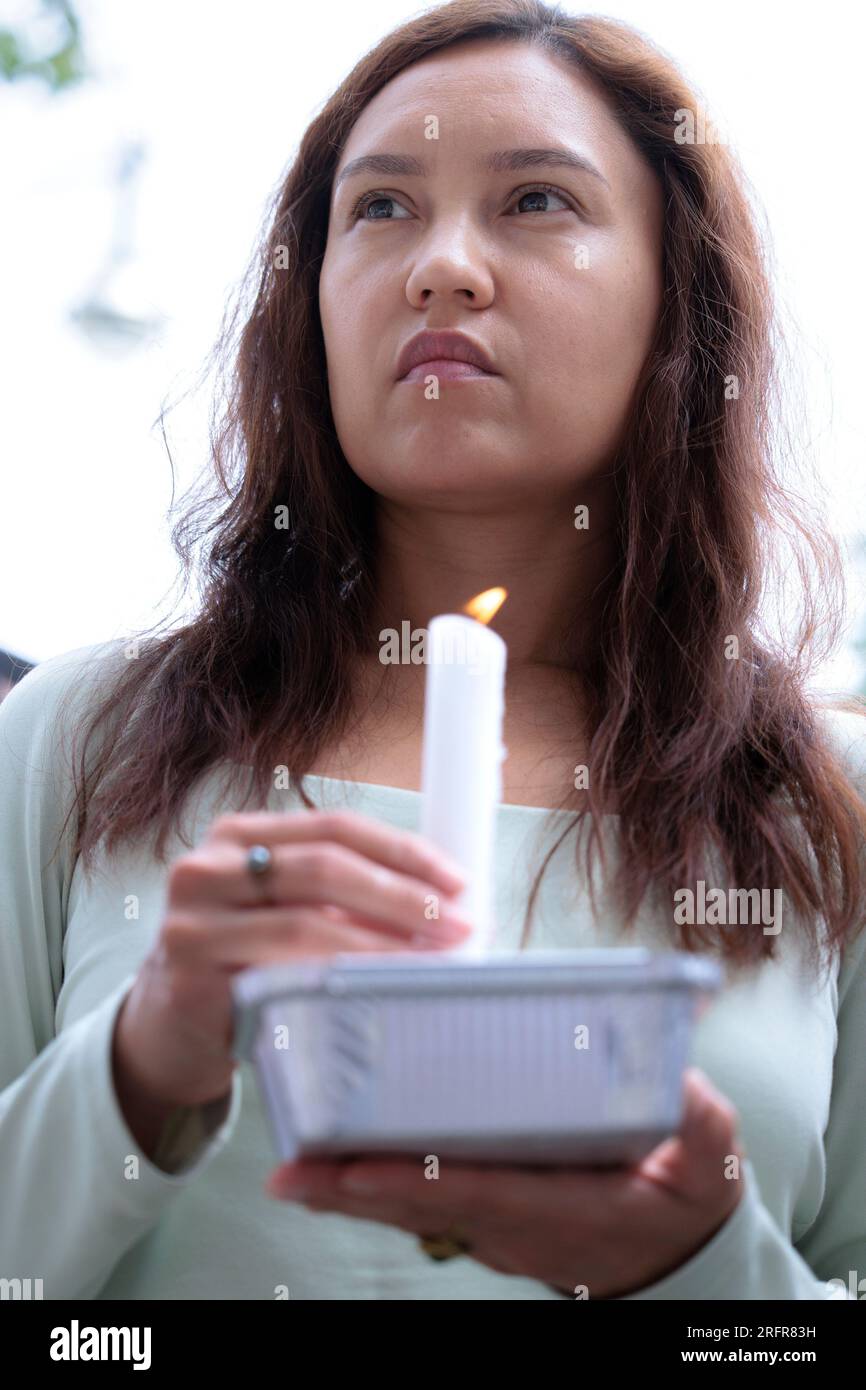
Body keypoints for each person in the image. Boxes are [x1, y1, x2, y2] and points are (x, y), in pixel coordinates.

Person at [1, 0, 865, 1301]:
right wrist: (142, 1062)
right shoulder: (85, 734)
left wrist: (693, 1267)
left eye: (534, 201)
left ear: (674, 305)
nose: (440, 266)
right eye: (381, 207)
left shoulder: (823, 807)